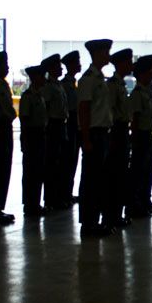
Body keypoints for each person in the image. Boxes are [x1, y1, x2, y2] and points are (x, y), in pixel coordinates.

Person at [77, 39, 115, 237]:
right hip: (93, 134)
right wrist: (86, 138)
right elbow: (83, 109)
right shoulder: (89, 79)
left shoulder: (100, 78)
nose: (109, 55)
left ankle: (95, 220)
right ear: (98, 53)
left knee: (99, 180)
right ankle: (88, 223)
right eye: (106, 51)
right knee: (91, 181)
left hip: (102, 134)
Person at [129, 54, 152, 218]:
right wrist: (134, 139)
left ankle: (145, 200)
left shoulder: (149, 90)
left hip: (150, 133)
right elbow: (134, 120)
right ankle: (135, 204)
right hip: (141, 135)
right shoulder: (137, 93)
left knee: (149, 168)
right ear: (146, 72)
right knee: (139, 170)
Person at [106, 47, 135, 228]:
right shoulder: (112, 85)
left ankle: (116, 213)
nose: (131, 65)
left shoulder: (120, 84)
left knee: (122, 174)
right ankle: (111, 215)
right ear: (122, 63)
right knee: (114, 175)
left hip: (123, 131)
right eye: (129, 61)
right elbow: (110, 111)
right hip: (116, 132)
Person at [0, 51, 16, 226]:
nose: (6, 68)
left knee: (5, 168)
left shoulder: (3, 85)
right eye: (4, 65)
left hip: (6, 127)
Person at [19, 65, 48, 217]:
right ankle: (29, 204)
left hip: (40, 134)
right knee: (30, 172)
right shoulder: (28, 96)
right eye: (42, 76)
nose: (44, 79)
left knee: (38, 171)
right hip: (32, 136)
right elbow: (24, 119)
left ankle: (35, 203)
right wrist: (24, 140)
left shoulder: (40, 96)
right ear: (35, 78)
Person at [41, 53, 69, 210]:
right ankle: (50, 199)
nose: (61, 69)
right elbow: (46, 109)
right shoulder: (48, 87)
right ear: (51, 69)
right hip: (53, 126)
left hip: (61, 126)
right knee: (51, 164)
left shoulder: (58, 85)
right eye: (58, 66)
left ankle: (57, 196)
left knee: (60, 163)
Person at [62, 50, 83, 204]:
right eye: (77, 62)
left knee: (73, 159)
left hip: (75, 124)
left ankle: (68, 192)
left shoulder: (73, 84)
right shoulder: (65, 85)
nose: (79, 64)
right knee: (67, 160)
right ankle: (64, 193)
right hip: (69, 124)